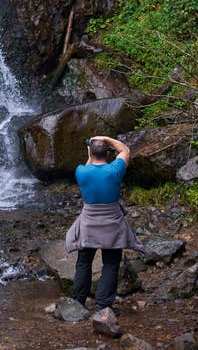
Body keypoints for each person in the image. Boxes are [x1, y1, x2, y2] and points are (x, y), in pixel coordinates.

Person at [65, 134, 143, 312]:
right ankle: (103, 304)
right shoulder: (115, 170)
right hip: (112, 223)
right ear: (108, 153)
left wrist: (92, 149)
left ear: (90, 153)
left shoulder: (81, 171)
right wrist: (106, 139)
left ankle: (78, 302)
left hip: (89, 223)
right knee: (111, 263)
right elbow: (124, 150)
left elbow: (89, 166)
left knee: (84, 262)